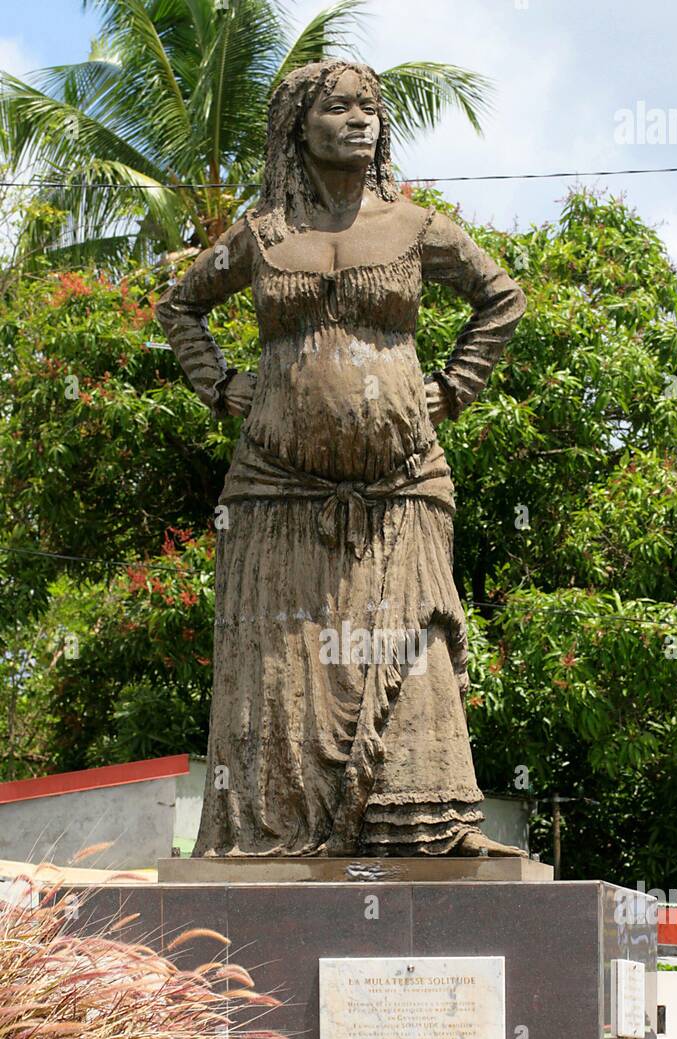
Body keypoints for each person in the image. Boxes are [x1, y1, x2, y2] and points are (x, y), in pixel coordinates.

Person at [156, 59, 527, 858]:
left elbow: (502, 296)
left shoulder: (416, 226)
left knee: (412, 643)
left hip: (401, 485)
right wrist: (219, 385)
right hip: (275, 490)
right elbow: (180, 306)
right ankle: (271, 836)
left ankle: (427, 826)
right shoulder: (262, 237)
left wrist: (456, 386)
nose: (358, 120)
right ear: (298, 126)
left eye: (369, 108)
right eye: (337, 109)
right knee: (278, 657)